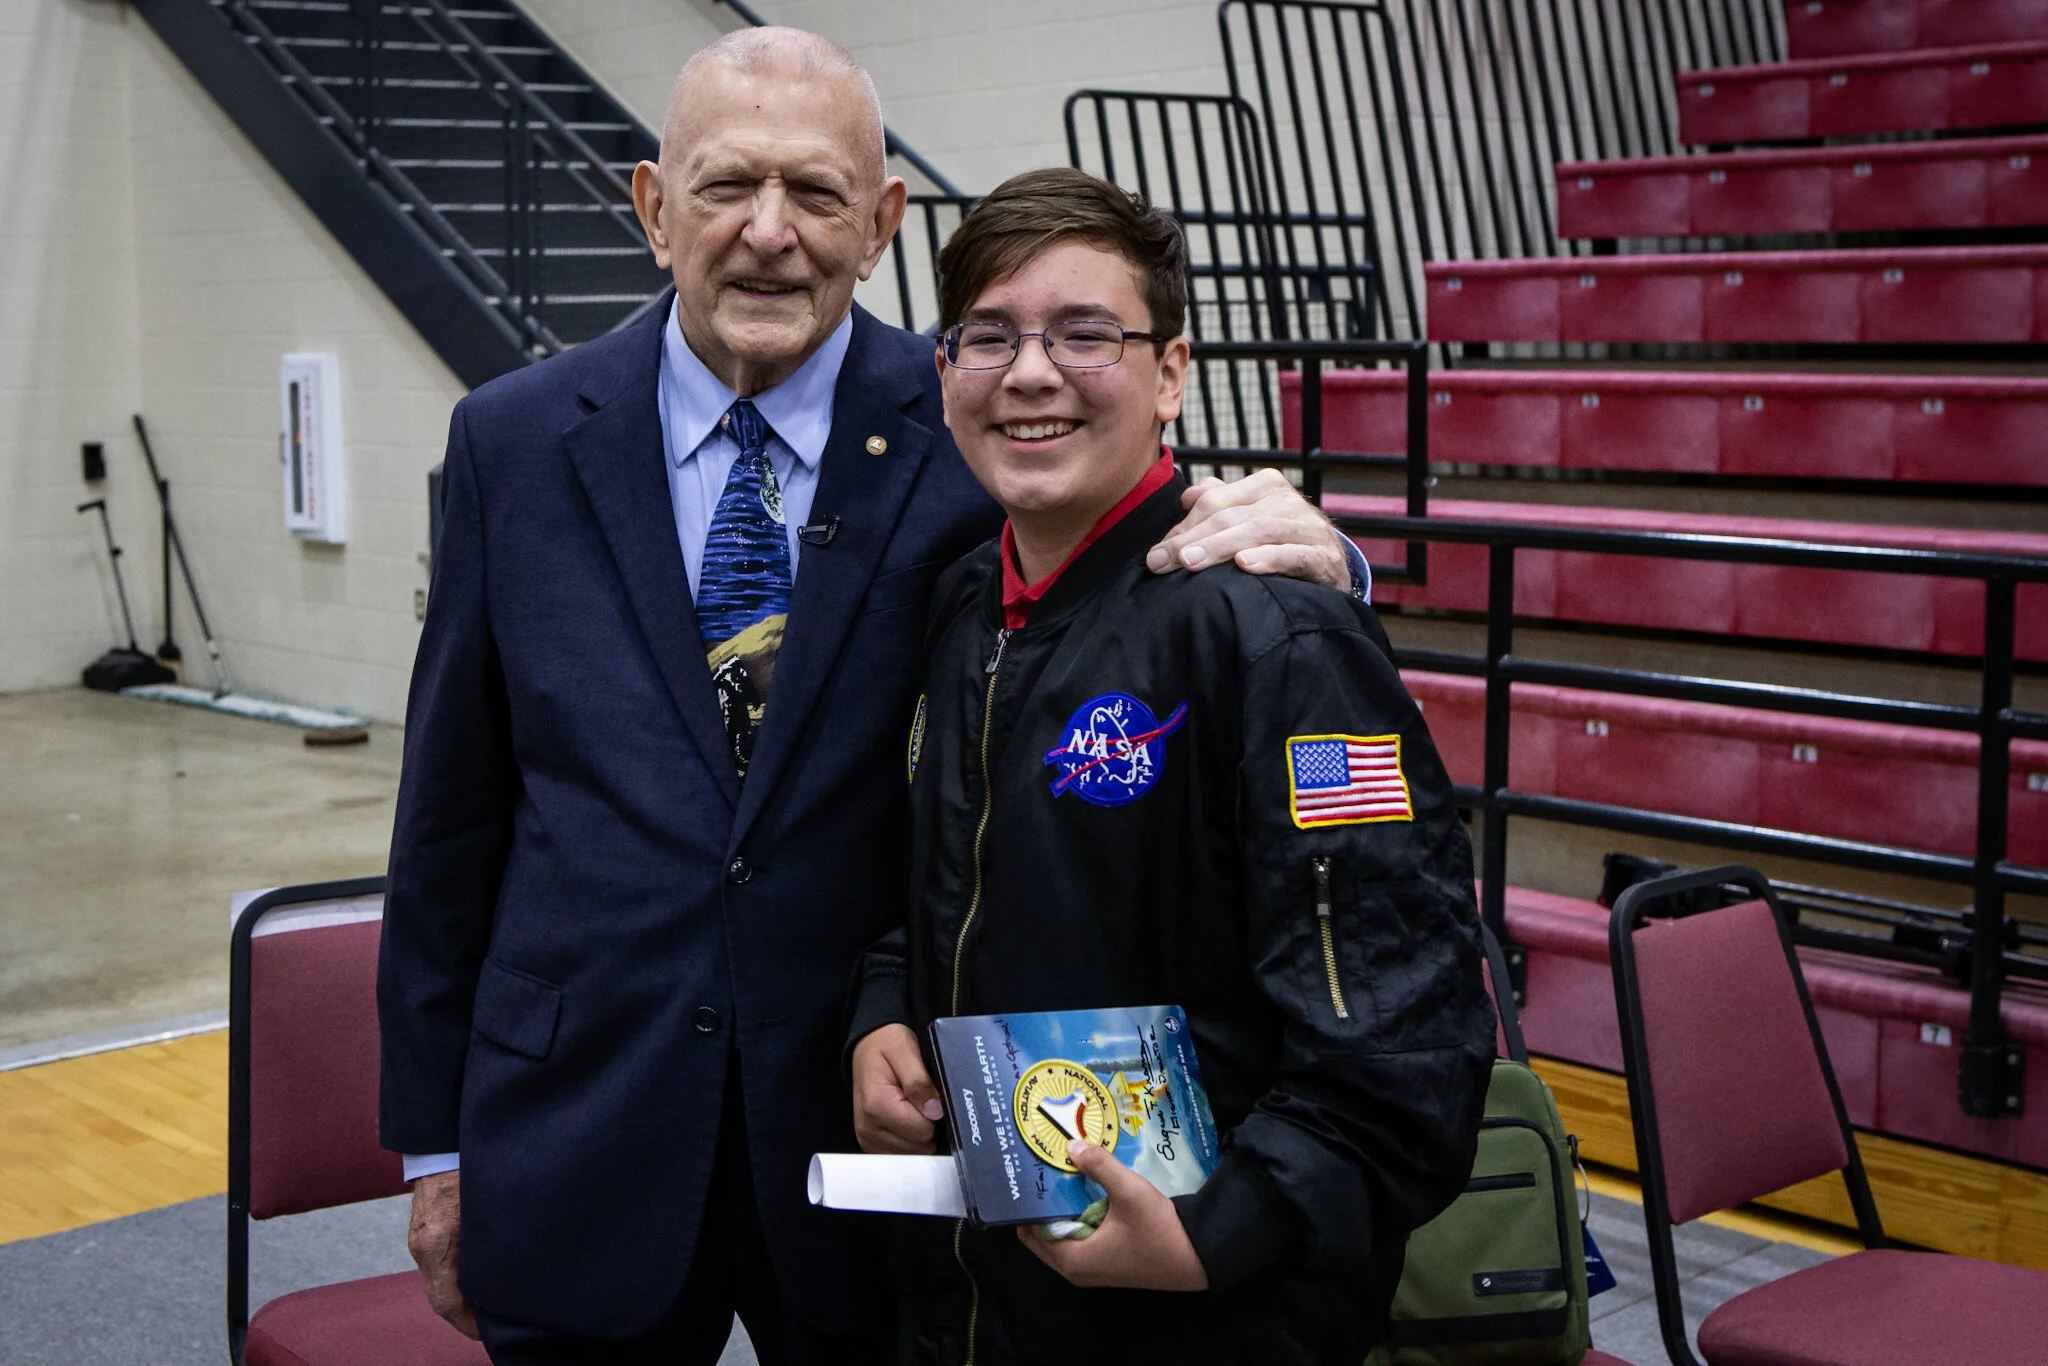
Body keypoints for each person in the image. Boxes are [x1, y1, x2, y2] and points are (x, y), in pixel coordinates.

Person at [377, 27, 1377, 1366]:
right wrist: (436, 1148)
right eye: (728, 186)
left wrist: (1329, 562)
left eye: (818, 192)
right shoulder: (511, 439)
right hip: (575, 1122)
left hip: (881, 1143)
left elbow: (1156, 561)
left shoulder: (979, 415)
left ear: (884, 221)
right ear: (653, 206)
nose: (770, 233)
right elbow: (450, 815)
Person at [846, 168, 1494, 1365]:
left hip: (1210, 1309)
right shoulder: (960, 606)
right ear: (944, 376)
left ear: (1172, 372)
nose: (1030, 372)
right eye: (987, 336)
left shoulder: (1278, 635)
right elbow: (933, 878)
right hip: (981, 1296)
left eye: (1084, 332)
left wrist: (1220, 1229)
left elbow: (1406, 1040)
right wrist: (888, 1005)